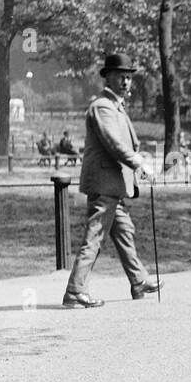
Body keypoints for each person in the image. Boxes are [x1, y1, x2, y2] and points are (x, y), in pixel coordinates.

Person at [62, 55, 160, 308]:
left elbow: (124, 143)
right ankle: (74, 292)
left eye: (129, 77)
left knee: (125, 232)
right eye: (121, 76)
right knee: (94, 237)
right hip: (105, 186)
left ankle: (138, 281)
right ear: (108, 77)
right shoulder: (103, 106)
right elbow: (114, 144)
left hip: (114, 186)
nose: (126, 81)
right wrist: (139, 164)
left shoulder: (116, 105)